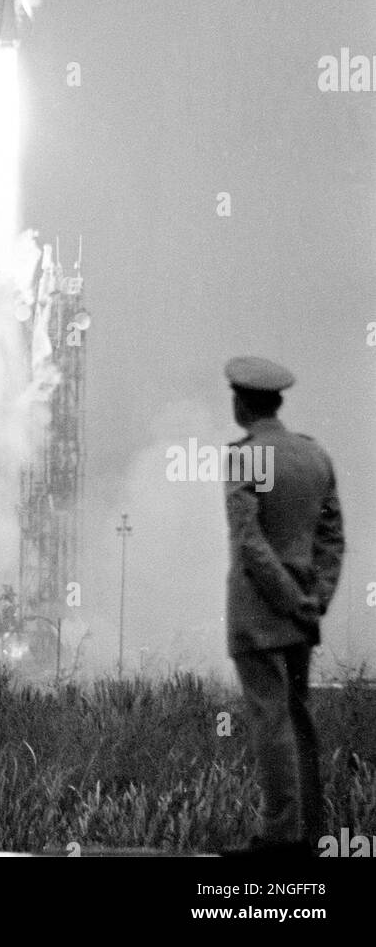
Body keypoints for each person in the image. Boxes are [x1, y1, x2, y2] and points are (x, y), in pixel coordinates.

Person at [220, 357, 344, 858]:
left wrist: (288, 600)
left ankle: (279, 838)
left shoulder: (244, 458)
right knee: (299, 719)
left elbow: (250, 543)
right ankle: (312, 833)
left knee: (270, 722)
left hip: (259, 614)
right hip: (302, 617)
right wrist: (315, 601)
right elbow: (332, 536)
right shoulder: (314, 455)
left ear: (241, 402)